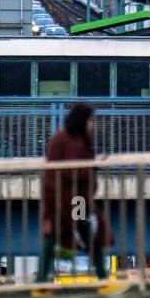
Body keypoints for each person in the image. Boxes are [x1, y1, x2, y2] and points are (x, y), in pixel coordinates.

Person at [39, 103, 108, 281]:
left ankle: (40, 281)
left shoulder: (62, 138)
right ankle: (102, 278)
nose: (92, 124)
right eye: (91, 120)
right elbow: (73, 169)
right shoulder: (75, 141)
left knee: (54, 237)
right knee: (91, 239)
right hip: (73, 199)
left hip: (62, 199)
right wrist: (92, 167)